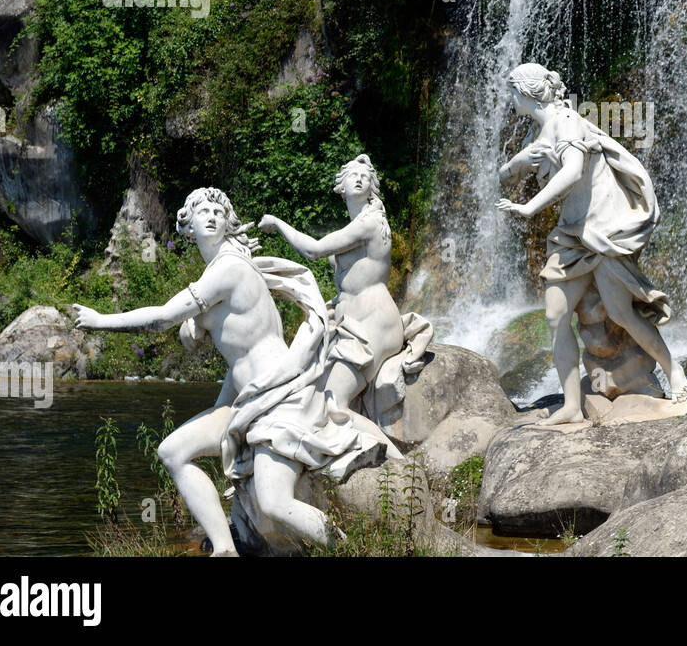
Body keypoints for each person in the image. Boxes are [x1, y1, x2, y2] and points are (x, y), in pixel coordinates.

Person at [74, 187, 385, 554]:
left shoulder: (230, 269)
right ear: (187, 227)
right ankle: (225, 550)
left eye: (219, 212)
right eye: (202, 210)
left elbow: (160, 318)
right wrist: (231, 420)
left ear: (227, 223)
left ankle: (357, 551)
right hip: (250, 399)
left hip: (280, 397)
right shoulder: (220, 272)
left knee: (274, 502)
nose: (212, 216)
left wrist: (101, 320)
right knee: (172, 452)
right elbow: (234, 363)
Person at [496, 63, 687, 424]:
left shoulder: (566, 122)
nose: (510, 100)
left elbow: (572, 171)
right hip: (572, 233)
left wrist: (530, 208)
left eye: (512, 92)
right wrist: (518, 162)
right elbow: (503, 179)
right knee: (555, 315)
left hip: (601, 230)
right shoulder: (538, 134)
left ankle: (674, 370)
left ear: (525, 92)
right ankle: (571, 405)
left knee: (620, 312)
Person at [259, 154, 432, 446]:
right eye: (352, 174)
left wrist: (277, 223)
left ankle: (391, 462)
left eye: (365, 175)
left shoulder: (369, 222)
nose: (359, 177)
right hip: (353, 322)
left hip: (373, 324)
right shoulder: (357, 224)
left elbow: (314, 250)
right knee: (308, 393)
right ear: (341, 185)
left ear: (372, 187)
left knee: (334, 403)